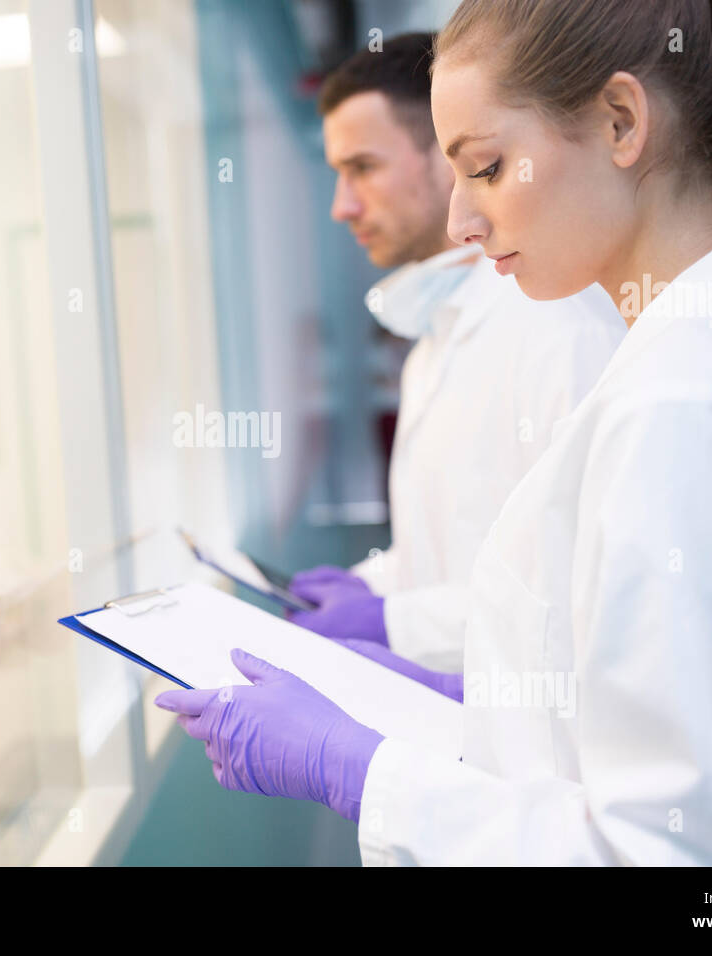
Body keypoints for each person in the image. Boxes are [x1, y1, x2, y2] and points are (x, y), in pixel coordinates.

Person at [159, 0, 712, 865]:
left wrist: (364, 773)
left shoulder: (685, 407)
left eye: (489, 168)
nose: (462, 222)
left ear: (620, 122)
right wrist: (472, 706)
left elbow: (688, 863)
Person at [289, 33, 623, 673]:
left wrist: (389, 622)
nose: (342, 206)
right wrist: (368, 587)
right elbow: (447, 554)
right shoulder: (432, 344)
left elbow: (576, 591)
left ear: (447, 156)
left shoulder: (559, 326)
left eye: (362, 167)